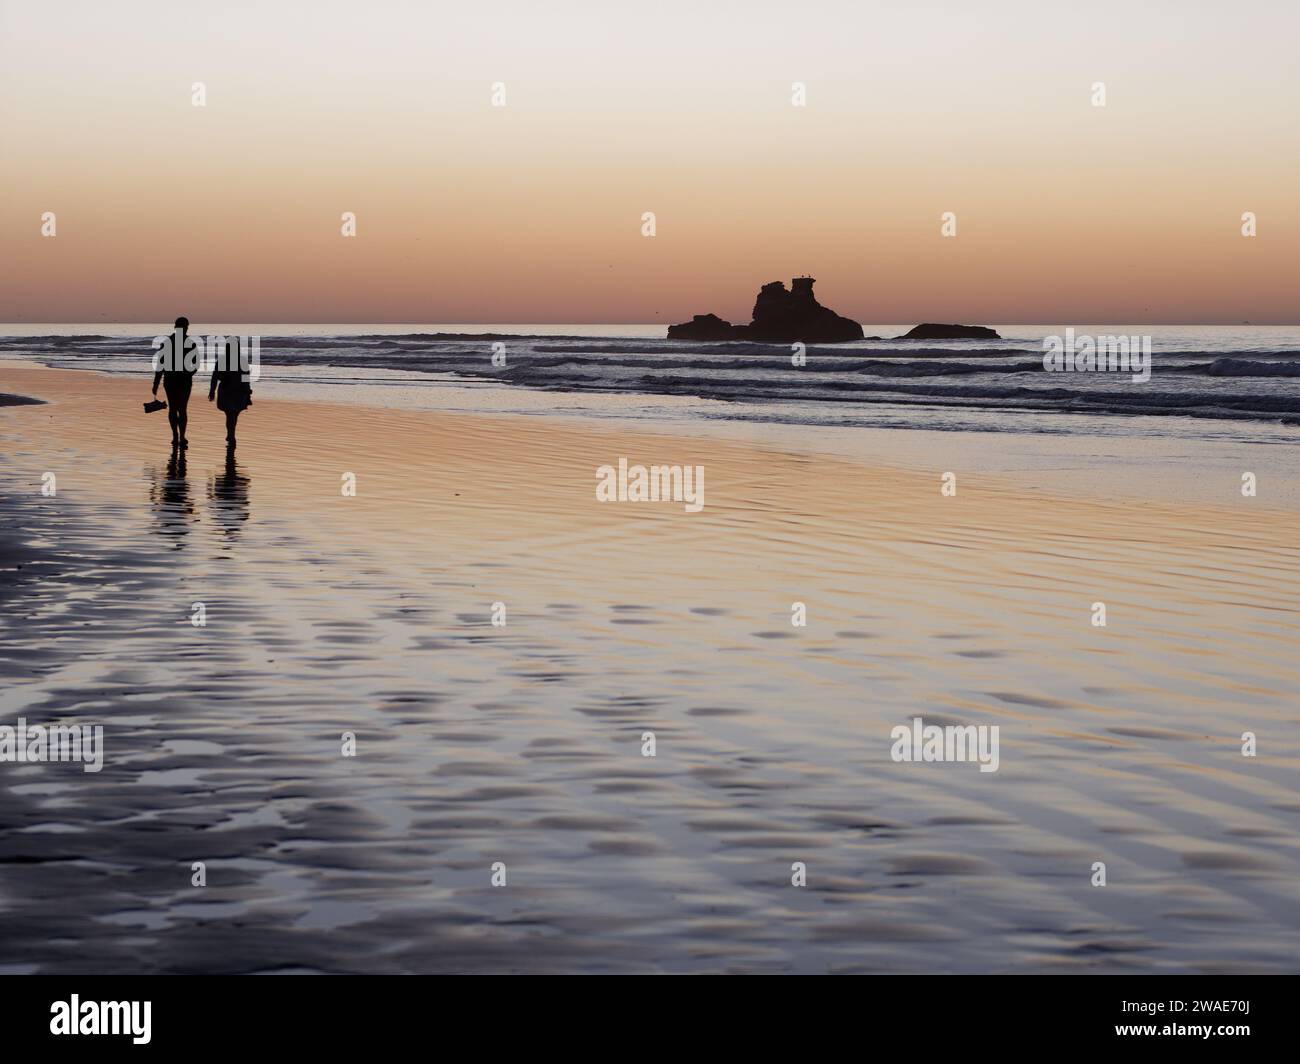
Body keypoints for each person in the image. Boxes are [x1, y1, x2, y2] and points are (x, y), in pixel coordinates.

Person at [151, 316, 199, 448]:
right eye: (186, 327)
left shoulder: (167, 342)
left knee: (173, 408)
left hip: (171, 380)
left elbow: (160, 364)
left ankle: (175, 436)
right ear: (185, 327)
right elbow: (195, 365)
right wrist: (188, 374)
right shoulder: (190, 343)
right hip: (184, 380)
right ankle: (181, 436)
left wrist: (156, 383)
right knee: (182, 409)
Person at [209, 335, 252, 450]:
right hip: (236, 390)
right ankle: (231, 434)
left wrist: (212, 390)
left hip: (228, 390)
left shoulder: (223, 360)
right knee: (233, 414)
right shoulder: (241, 360)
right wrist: (248, 391)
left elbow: (215, 377)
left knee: (231, 414)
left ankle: (230, 433)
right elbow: (245, 377)